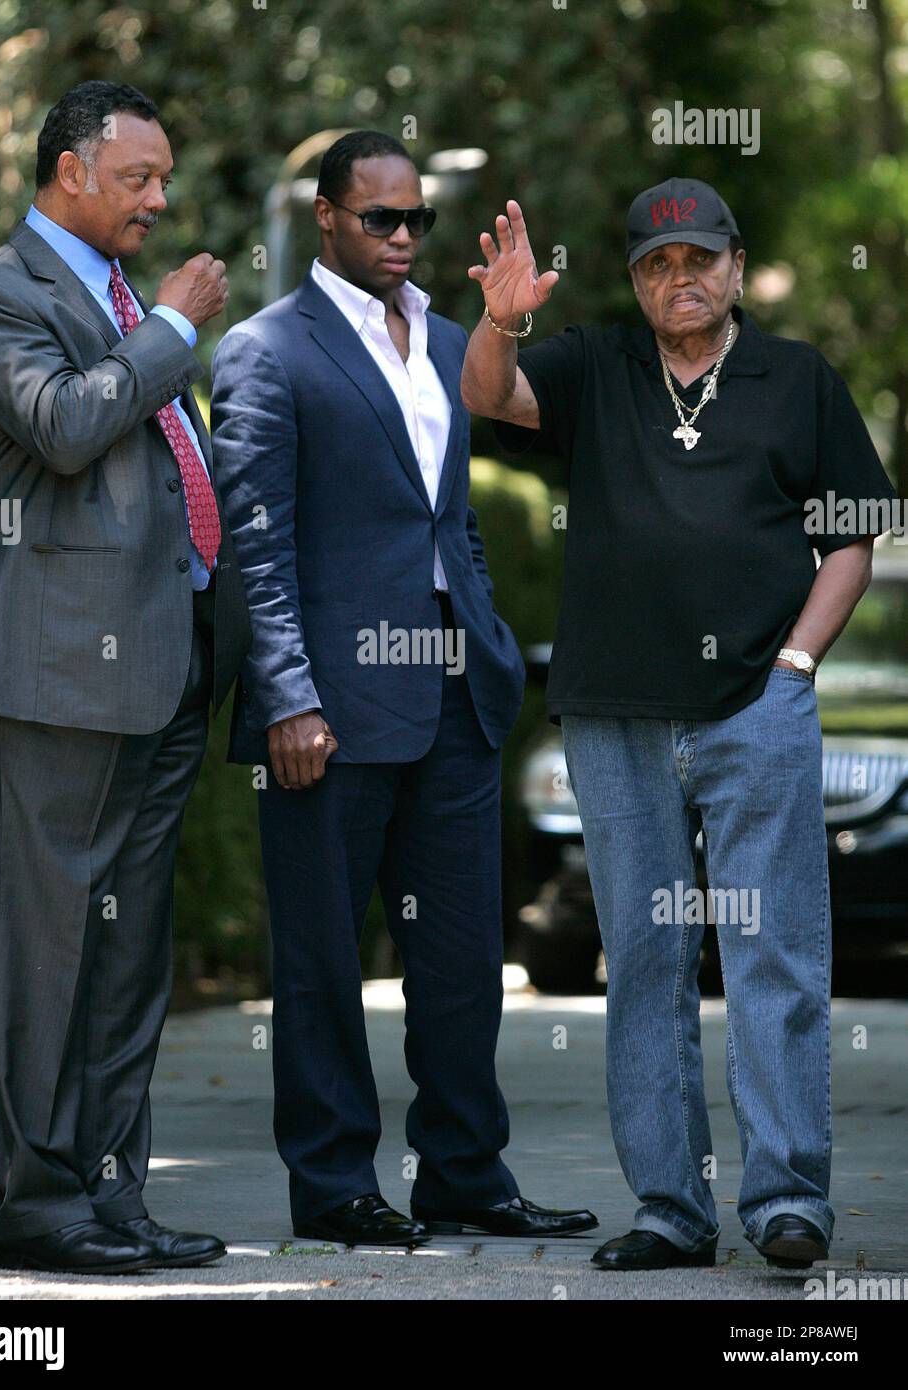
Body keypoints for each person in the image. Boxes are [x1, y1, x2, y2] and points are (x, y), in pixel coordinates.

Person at [460, 177, 898, 1271]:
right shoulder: (596, 366)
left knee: (775, 954)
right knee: (645, 960)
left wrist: (796, 662)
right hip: (614, 718)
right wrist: (501, 317)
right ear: (635, 279)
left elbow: (849, 531)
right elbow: (488, 398)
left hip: (756, 707)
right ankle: (667, 1208)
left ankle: (787, 1200)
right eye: (657, 264)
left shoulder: (794, 378)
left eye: (697, 258)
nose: (680, 278)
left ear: (734, 264)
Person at [210, 130, 597, 1247]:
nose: (400, 238)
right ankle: (334, 1185)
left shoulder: (441, 342)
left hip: (451, 695)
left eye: (415, 219)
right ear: (325, 218)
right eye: (378, 218)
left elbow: (451, 519)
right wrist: (284, 693)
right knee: (327, 961)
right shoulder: (265, 350)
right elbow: (256, 539)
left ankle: (465, 1172)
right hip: (326, 709)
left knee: (464, 958)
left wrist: (482, 626)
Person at [0, 80, 252, 1275]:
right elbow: (66, 427)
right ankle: (40, 1206)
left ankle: (116, 1198)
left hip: (164, 674)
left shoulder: (120, 298)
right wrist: (169, 331)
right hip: (54, 675)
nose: (159, 199)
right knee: (50, 949)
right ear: (70, 171)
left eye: (163, 178)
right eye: (137, 179)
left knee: (125, 954)